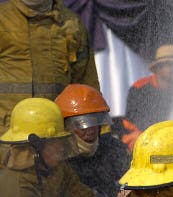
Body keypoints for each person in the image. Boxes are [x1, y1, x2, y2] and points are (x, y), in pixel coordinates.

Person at [0, 0, 100, 136]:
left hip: (55, 138)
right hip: (6, 137)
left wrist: (101, 131)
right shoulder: (3, 19)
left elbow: (86, 87)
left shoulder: (71, 25)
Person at [55, 84, 131, 197]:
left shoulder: (113, 148)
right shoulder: (59, 159)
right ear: (66, 127)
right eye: (81, 125)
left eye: (94, 122)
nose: (90, 130)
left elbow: (132, 178)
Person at [122, 45, 173, 151]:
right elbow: (134, 122)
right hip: (143, 138)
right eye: (169, 64)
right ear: (158, 68)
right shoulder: (140, 88)